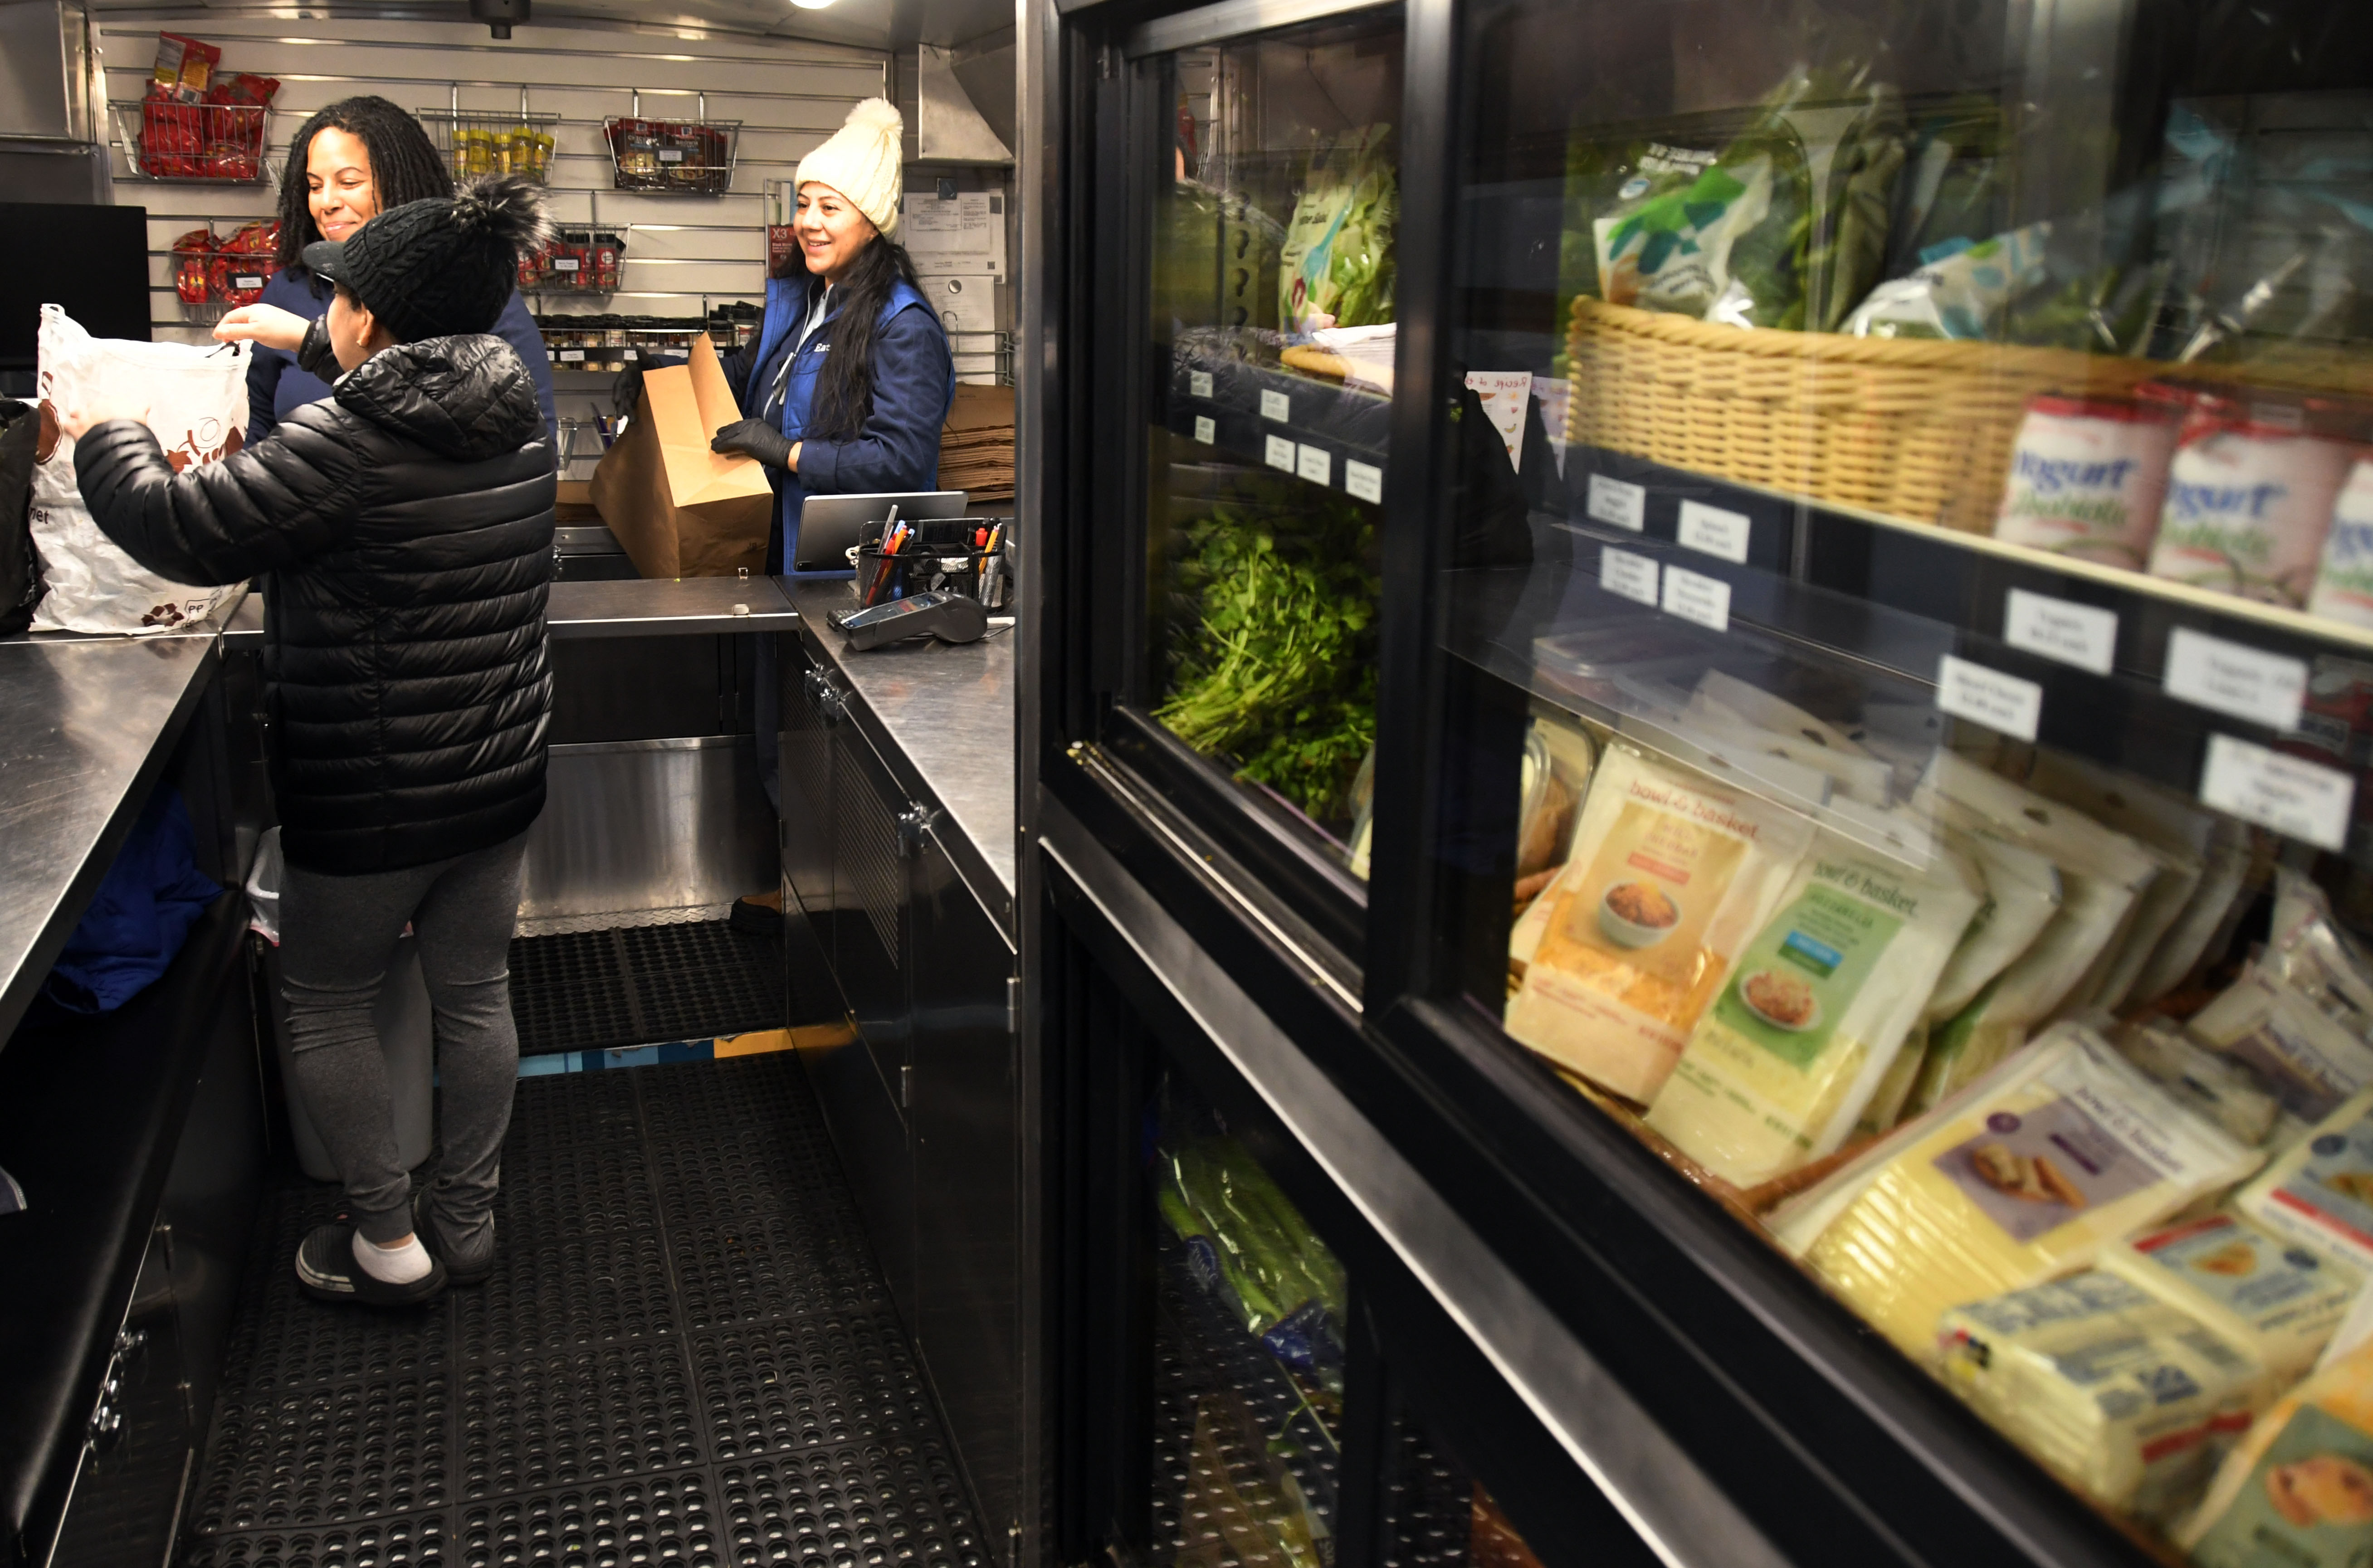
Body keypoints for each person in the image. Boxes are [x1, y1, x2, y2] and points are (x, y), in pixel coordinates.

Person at [62, 175, 559, 1307]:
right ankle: (466, 1227)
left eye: (339, 299)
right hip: (497, 777)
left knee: (327, 1000)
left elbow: (180, 527)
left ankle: (388, 1246)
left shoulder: (339, 445)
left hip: (370, 794)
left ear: (370, 320)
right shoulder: (519, 416)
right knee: (475, 992)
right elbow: (406, 419)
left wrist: (111, 435)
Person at [246, 95, 558, 456]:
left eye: (348, 183)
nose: (325, 201)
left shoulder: (473, 296)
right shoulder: (288, 292)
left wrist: (305, 342)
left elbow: (533, 444)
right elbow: (260, 431)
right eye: (315, 186)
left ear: (400, 182)